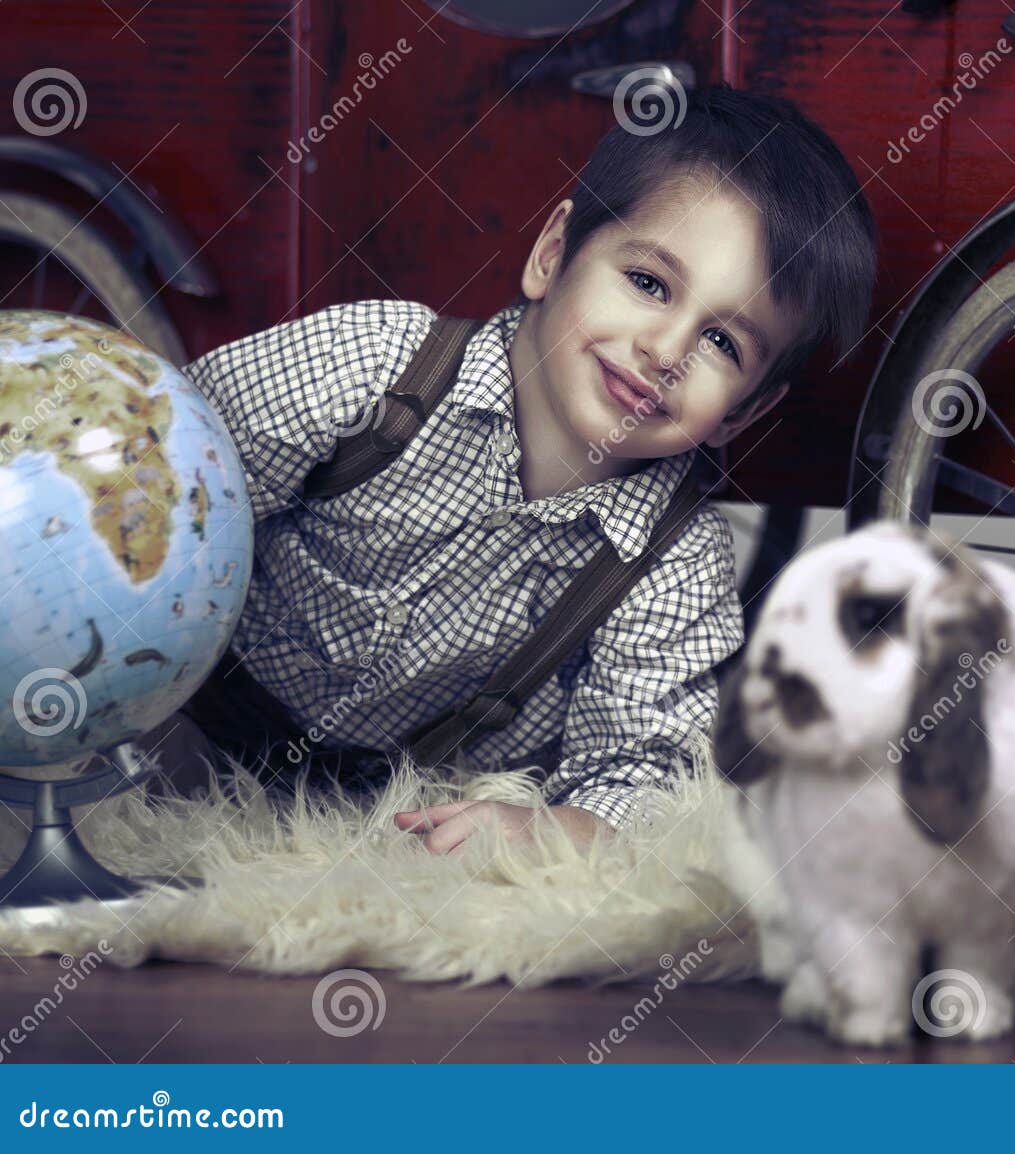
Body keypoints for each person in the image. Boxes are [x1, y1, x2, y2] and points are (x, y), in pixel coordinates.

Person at [135, 83, 877, 855]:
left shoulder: (675, 564)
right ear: (553, 254)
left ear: (744, 411)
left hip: (385, 818)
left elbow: (645, 774)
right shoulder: (376, 370)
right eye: (648, 283)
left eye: (722, 343)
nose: (666, 351)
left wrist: (551, 829)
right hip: (172, 710)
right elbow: (159, 484)